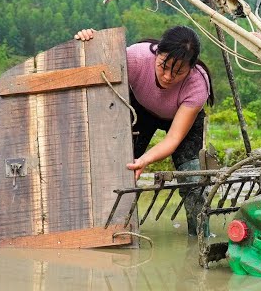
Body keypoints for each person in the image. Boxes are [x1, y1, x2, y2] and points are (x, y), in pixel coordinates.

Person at [74, 25, 213, 236]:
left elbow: (174, 138)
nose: (167, 77)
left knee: (192, 177)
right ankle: (109, 230)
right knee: (120, 164)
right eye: (163, 66)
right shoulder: (135, 57)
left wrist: (145, 160)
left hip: (181, 119)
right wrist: (90, 40)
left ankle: (200, 236)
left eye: (178, 72)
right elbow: (96, 65)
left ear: (191, 68)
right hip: (142, 110)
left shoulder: (197, 84)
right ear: (157, 52)